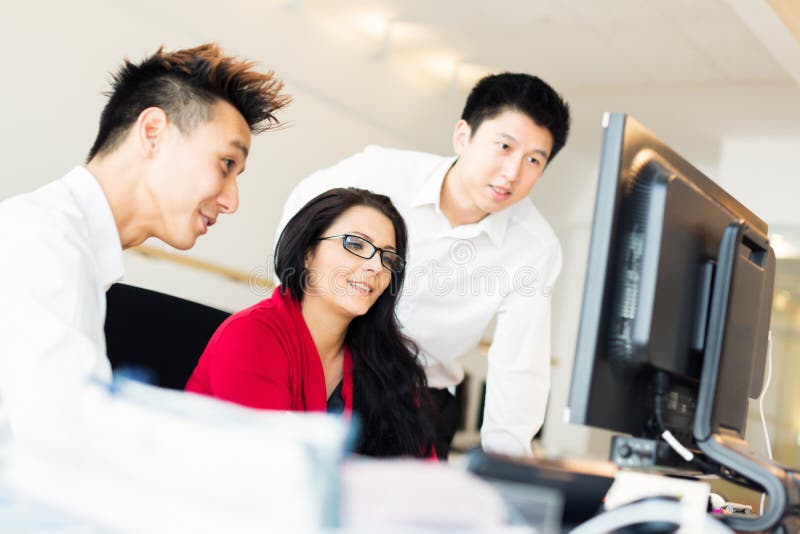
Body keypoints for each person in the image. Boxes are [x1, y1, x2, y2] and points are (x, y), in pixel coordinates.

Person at [0, 43, 290, 447]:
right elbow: (60, 444)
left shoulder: (69, 248)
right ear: (153, 133)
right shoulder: (43, 241)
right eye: (226, 164)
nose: (231, 201)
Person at [276, 73, 570, 458]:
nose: (512, 173)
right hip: (324, 372)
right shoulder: (379, 173)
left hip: (418, 402)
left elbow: (519, 365)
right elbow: (300, 216)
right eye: (503, 146)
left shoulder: (534, 246)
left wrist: (508, 467)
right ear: (463, 136)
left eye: (534, 160)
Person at [186, 188, 436, 458]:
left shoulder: (388, 363)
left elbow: (424, 479)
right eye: (355, 245)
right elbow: (269, 470)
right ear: (308, 253)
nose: (376, 266)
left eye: (388, 258)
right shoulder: (251, 335)